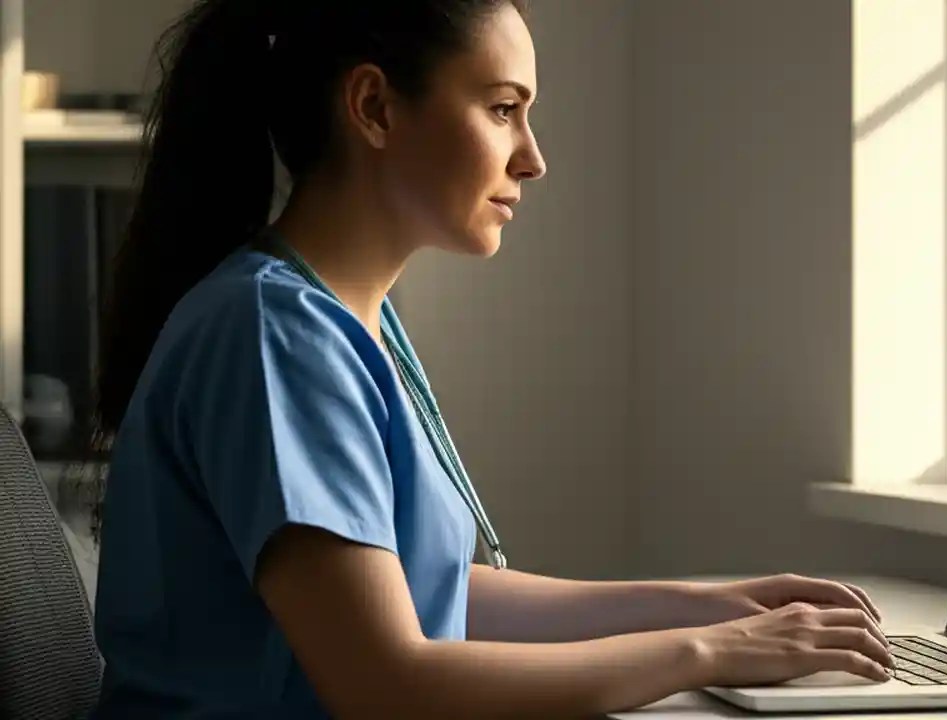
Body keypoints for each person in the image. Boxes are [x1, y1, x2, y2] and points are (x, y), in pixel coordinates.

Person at [88, 1, 896, 717]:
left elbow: (429, 598)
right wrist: (710, 653)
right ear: (374, 107)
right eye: (503, 108)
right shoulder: (274, 333)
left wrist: (705, 607)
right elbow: (386, 683)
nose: (533, 158)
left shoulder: (344, 317)